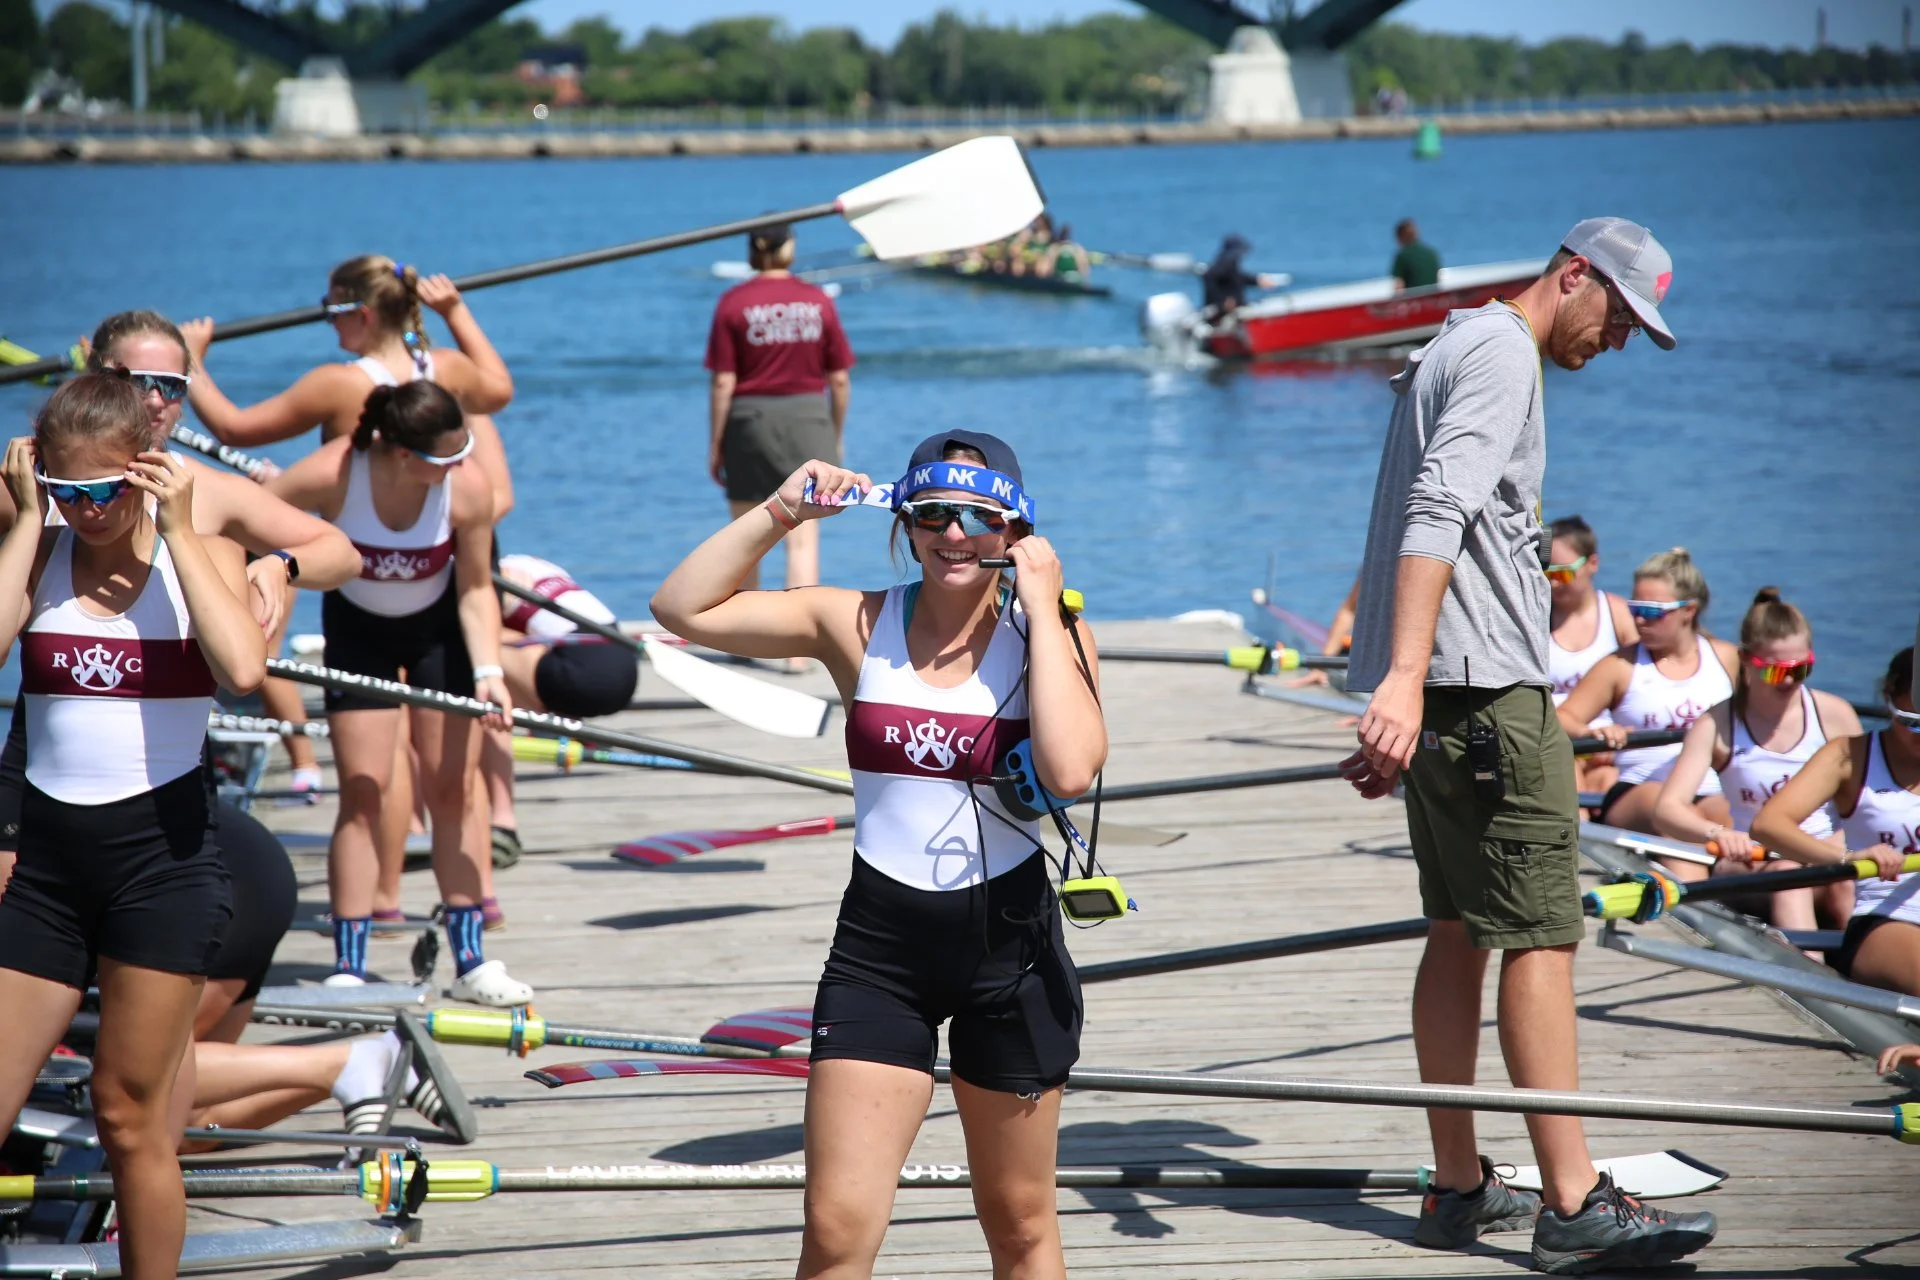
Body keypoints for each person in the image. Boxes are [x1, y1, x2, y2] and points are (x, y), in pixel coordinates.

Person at [1339, 218, 1716, 1271]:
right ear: (1575, 275)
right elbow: (1434, 509)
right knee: (1544, 937)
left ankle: (1458, 1185)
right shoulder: (1506, 353)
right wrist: (1403, 677)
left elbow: (1415, 509)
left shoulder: (1456, 337)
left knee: (1457, 929)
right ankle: (1573, 1200)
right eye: (1620, 317)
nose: (1620, 340)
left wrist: (1399, 683)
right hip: (1488, 697)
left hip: (1445, 699)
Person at [651, 431, 1106, 1280]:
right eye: (933, 513)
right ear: (905, 522)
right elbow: (682, 609)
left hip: (1010, 953)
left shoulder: (1053, 633)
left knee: (1019, 1226)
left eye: (980, 515)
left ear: (1015, 529)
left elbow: (1073, 770)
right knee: (835, 1230)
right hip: (881, 953)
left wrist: (1045, 612)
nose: (955, 533)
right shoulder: (852, 620)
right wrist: (783, 510)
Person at [0, 372, 266, 1280]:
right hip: (46, 875)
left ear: (149, 471)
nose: (87, 512)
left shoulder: (204, 553)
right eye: (67, 492)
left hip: (163, 866)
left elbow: (242, 669)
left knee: (126, 1116)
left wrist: (182, 531)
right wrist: (27, 521)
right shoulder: (36, 549)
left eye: (105, 491)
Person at [181, 259, 516, 803]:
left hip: (374, 557)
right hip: (436, 548)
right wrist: (455, 312)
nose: (327, 321)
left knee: (388, 761)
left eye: (331, 310)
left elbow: (233, 427)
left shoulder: (337, 385)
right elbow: (500, 391)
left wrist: (191, 360)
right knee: (444, 773)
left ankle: (395, 825)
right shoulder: (448, 367)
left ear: (363, 314)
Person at [266, 380, 528, 1007]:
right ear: (404, 453)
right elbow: (242, 521)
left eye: (464, 450)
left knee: (453, 790)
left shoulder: (466, 487)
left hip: (441, 636)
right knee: (363, 792)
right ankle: (349, 968)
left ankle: (471, 964)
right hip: (358, 634)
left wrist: (489, 670)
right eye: (447, 456)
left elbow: (475, 588)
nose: (460, 465)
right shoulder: (334, 472)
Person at [1652, 590, 1862, 938]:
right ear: (1746, 661)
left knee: (1846, 882)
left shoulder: (1835, 715)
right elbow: (1668, 809)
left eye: (1801, 668)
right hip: (1752, 863)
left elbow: (1868, 800)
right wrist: (1719, 834)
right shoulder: (1716, 724)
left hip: (1827, 858)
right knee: (1788, 871)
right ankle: (1808, 966)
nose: (1790, 681)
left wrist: (1836, 846)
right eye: (1777, 672)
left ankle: (1861, 960)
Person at [1754, 648, 1919, 997]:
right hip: (1889, 917)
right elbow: (1769, 825)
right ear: (1889, 697)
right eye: (1911, 721)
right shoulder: (1849, 756)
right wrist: (1847, 859)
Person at [705, 222, 855, 595]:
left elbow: (723, 383)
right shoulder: (818, 300)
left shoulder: (733, 302)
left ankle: (743, 628)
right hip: (809, 419)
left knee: (745, 539)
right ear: (790, 247)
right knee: (803, 540)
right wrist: (835, 434)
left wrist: (716, 443)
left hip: (749, 422)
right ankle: (797, 634)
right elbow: (839, 380)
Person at [1557, 548, 1738, 855]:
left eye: (1652, 611)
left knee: (1733, 820)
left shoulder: (1726, 658)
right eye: (1635, 609)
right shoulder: (1620, 666)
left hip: (1709, 786)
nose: (1640, 620)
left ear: (1688, 610)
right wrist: (1592, 733)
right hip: (1638, 789)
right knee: (1674, 814)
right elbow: (1563, 717)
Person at [482, 553, 639, 866]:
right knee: (519, 637)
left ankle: (501, 817)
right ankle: (560, 722)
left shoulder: (503, 574)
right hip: (623, 667)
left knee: (475, 652)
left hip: (577, 673)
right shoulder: (529, 563)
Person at [1545, 515, 1639, 800]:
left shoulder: (1619, 614)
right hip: (1553, 741)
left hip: (1606, 744)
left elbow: (1644, 681)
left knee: (1608, 780)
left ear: (1592, 564)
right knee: (1567, 773)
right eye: (1546, 575)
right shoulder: (1533, 619)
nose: (1553, 585)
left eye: (1562, 574)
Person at [1200, 234, 1281, 322]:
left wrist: (1257, 281)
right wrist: (1223, 302)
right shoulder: (1226, 263)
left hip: (1230, 309)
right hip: (1223, 313)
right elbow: (1215, 278)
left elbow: (1238, 278)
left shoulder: (1226, 263)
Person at [1391, 218, 1442, 290]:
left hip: (1415, 296)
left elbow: (1399, 285)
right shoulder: (1432, 253)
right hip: (1433, 294)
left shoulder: (1403, 256)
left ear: (1401, 236)